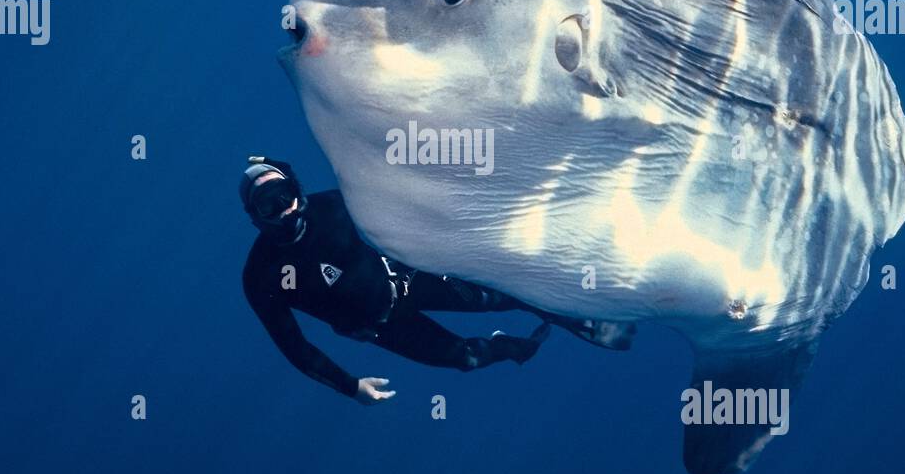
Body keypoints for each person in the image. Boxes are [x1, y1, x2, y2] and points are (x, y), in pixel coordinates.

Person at [240, 156, 633, 404]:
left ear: (298, 189)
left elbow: (411, 205)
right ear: (254, 217)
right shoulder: (261, 276)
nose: (283, 208)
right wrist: (350, 386)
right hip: (382, 327)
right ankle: (508, 348)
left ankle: (573, 318)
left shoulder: (340, 202)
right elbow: (294, 347)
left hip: (409, 278)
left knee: (502, 294)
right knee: (466, 359)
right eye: (267, 204)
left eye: (284, 193)